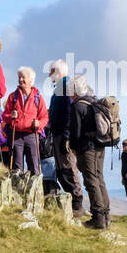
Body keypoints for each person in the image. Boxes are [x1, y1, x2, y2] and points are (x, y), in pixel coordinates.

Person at [68, 76, 110, 229]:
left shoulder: (77, 106)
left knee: (91, 181)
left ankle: (98, 219)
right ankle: (106, 216)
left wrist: (73, 147)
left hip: (87, 148)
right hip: (100, 146)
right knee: (99, 178)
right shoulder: (93, 101)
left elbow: (76, 132)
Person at [46, 58, 83, 214]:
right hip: (58, 133)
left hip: (63, 134)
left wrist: (67, 137)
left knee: (68, 167)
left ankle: (77, 204)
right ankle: (72, 203)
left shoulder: (66, 86)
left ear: (58, 71)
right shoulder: (59, 87)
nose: (49, 75)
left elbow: (69, 112)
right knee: (62, 169)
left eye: (51, 71)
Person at [2, 66, 48, 174]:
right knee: (17, 168)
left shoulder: (38, 98)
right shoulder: (13, 96)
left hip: (32, 135)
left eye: (23, 77)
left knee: (34, 166)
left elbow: (45, 117)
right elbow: (5, 116)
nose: (20, 80)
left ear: (31, 80)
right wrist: (11, 116)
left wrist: (39, 123)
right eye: (19, 77)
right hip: (16, 134)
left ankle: (35, 190)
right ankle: (17, 190)